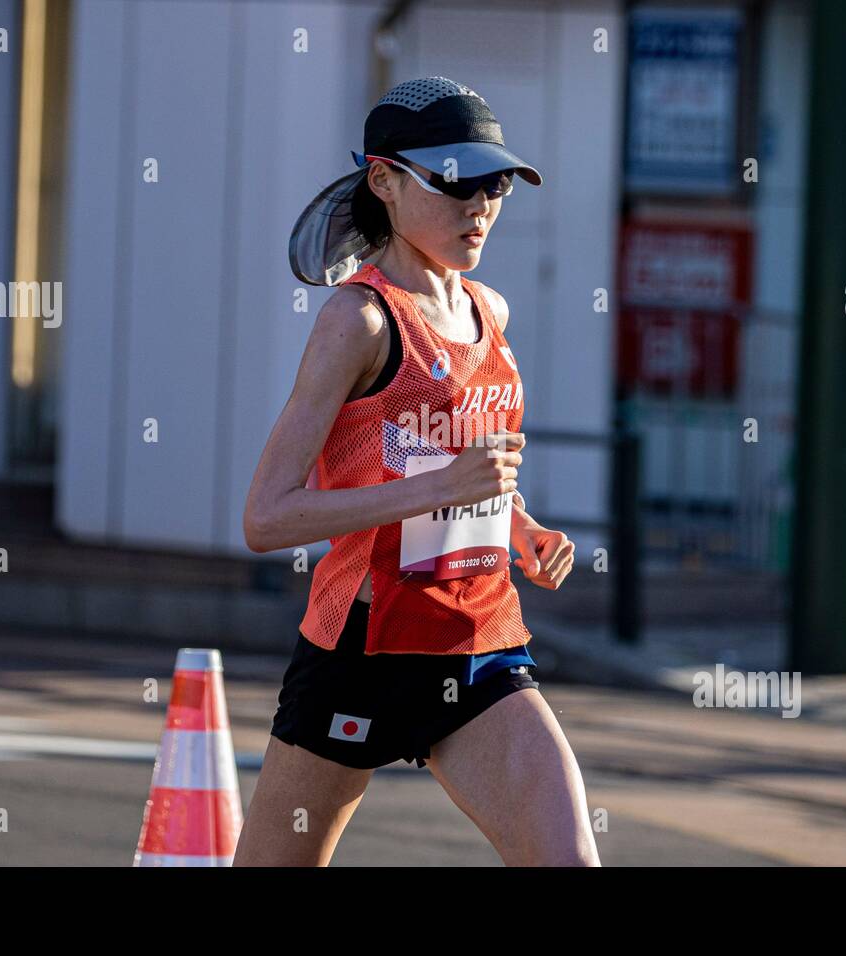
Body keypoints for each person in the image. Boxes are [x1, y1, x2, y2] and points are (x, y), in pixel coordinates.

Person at [237, 77, 598, 867]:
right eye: (456, 183)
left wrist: (524, 528)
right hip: (362, 651)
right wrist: (440, 490)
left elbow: (475, 470)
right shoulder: (357, 322)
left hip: (478, 638)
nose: (480, 207)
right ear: (385, 181)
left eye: (496, 184)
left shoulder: (491, 310)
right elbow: (266, 518)